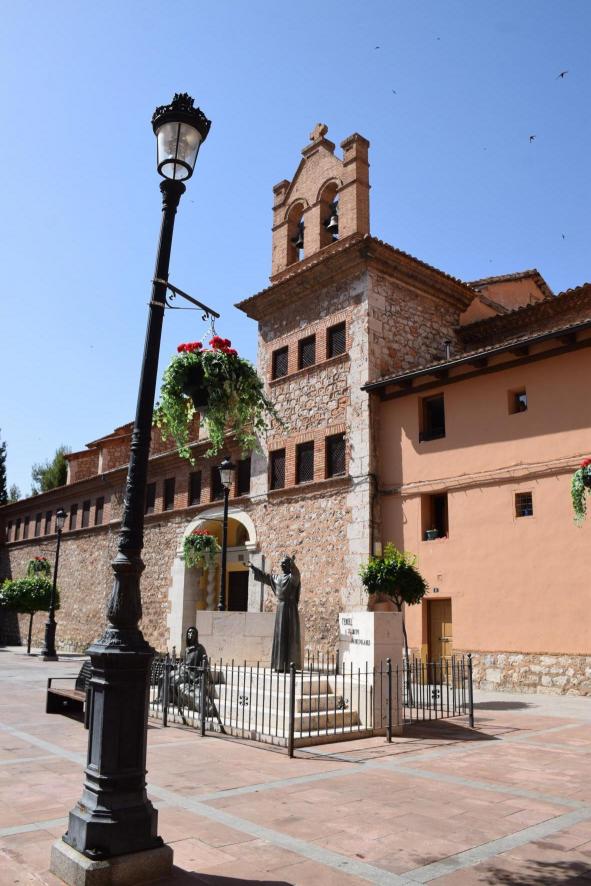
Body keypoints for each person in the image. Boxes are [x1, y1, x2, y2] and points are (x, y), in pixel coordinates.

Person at [249, 555, 301, 672]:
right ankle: (279, 665)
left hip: (290, 609)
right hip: (280, 608)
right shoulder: (277, 578)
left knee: (289, 636)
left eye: (284, 564)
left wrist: (293, 564)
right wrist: (254, 568)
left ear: (289, 565)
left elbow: (296, 574)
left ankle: (290, 665)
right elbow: (266, 577)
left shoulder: (293, 578)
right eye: (281, 564)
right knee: (280, 637)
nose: (281, 566)